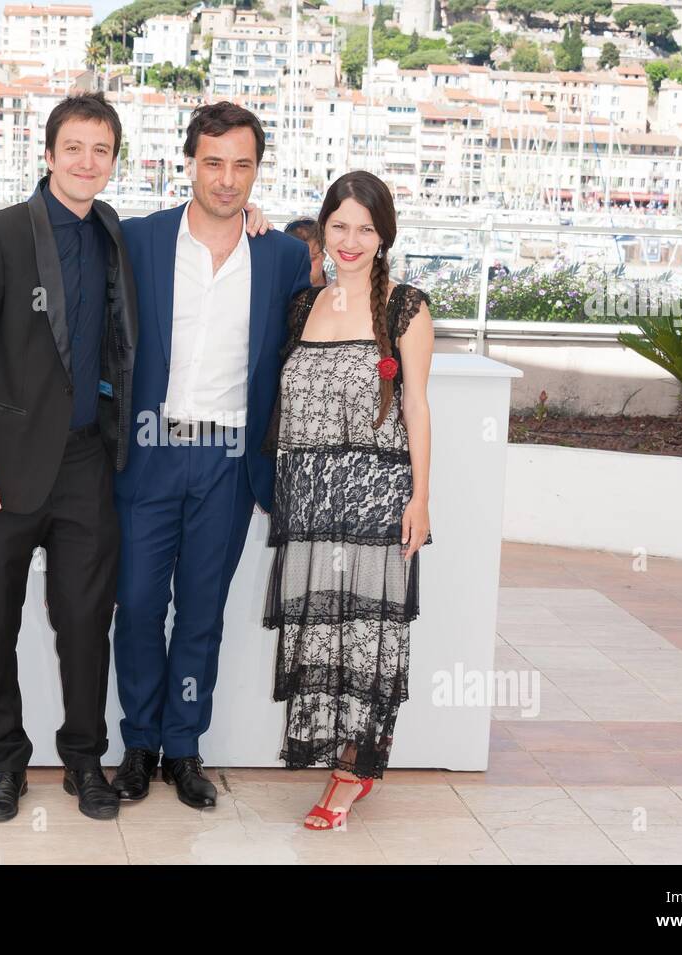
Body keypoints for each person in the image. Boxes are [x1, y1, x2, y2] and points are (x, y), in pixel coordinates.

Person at [109, 102, 312, 810]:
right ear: (189, 162)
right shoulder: (140, 240)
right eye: (214, 162)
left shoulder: (284, 255)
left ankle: (184, 746)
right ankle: (138, 744)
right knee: (136, 605)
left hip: (229, 459)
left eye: (242, 165)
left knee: (200, 611)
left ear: (258, 170)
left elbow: (314, 338)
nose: (227, 179)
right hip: (148, 452)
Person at [0, 92, 136, 823]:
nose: (88, 162)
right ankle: (5, 762)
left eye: (102, 150)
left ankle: (85, 759)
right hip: (0, 469)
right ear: (49, 152)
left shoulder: (114, 233)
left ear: (113, 161)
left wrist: (253, 222)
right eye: (76, 147)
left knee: (87, 621)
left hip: (88, 465)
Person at [262, 170, 435, 830]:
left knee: (367, 635)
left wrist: (422, 496)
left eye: (366, 228)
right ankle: (343, 760)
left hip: (376, 500)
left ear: (384, 234)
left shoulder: (406, 308)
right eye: (340, 226)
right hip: (308, 500)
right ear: (323, 230)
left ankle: (351, 771)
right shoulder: (305, 306)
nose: (352, 239)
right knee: (320, 634)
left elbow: (416, 405)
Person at [284, 217, 328, 287]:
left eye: (310, 260)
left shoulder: (343, 293)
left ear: (323, 255)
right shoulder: (278, 294)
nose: (303, 268)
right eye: (296, 262)